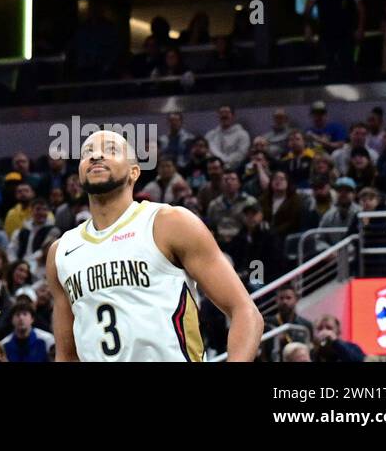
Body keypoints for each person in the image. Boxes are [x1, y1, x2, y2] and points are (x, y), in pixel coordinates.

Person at [47, 131, 263, 361]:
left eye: (110, 150)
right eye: (87, 153)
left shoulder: (169, 223)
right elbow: (67, 355)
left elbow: (246, 312)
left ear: (134, 172)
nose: (96, 156)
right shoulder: (61, 252)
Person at [304, 0, 365, 80]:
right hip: (327, 33)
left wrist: (360, 28)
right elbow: (308, 10)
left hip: (346, 33)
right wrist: (308, 29)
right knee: (328, 65)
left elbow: (361, 10)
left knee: (348, 65)